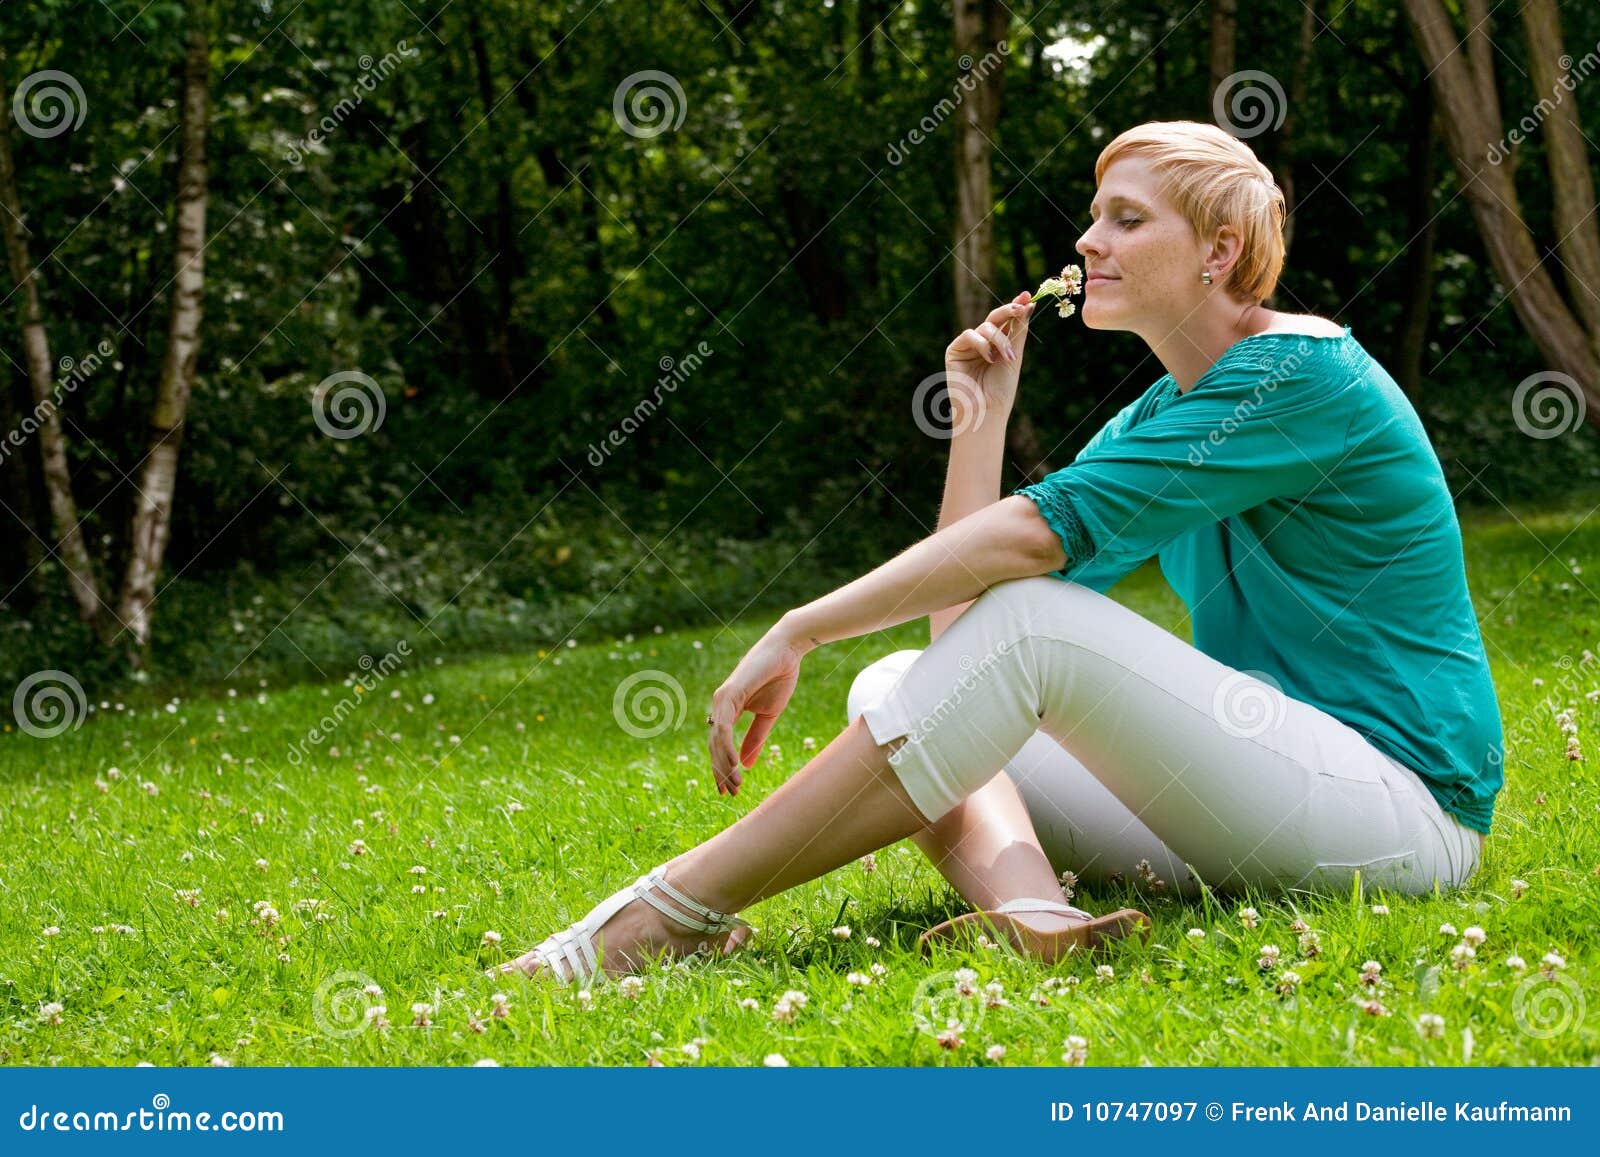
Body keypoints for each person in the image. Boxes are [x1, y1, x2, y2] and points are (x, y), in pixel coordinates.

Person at [494, 120, 1503, 986]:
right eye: (1094, 214)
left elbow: (1026, 556)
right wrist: (978, 419)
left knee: (1023, 623)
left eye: (1125, 217)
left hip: (1400, 815)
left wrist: (799, 625)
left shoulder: (1300, 374)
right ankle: (1039, 918)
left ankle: (669, 910)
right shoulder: (1166, 415)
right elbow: (964, 645)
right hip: (1273, 801)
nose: (1086, 238)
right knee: (896, 677)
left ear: (1219, 250)